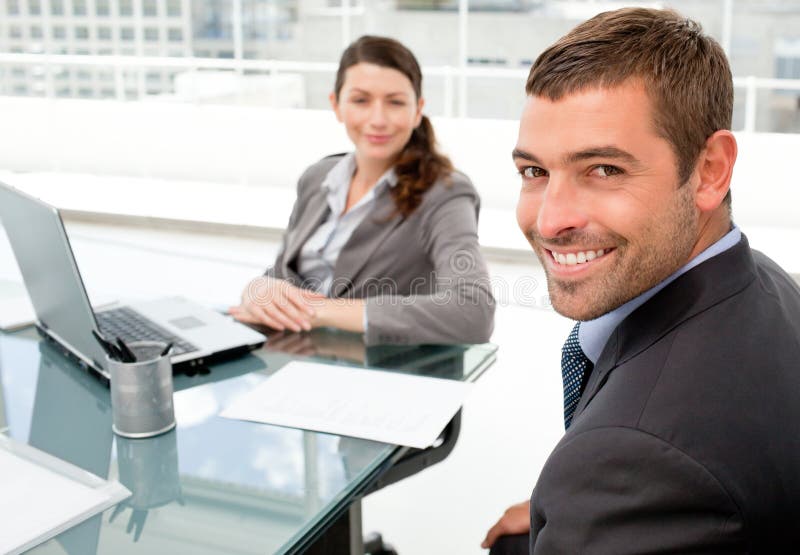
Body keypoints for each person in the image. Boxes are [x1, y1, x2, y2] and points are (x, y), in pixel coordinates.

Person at [483, 7, 800, 554]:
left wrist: (594, 498)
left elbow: (647, 456)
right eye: (535, 172)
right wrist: (569, 510)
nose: (549, 219)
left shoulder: (636, 457)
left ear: (710, 170)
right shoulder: (764, 281)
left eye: (604, 169)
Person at [229, 36, 494, 345]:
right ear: (336, 105)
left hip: (381, 370)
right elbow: (286, 273)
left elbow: (473, 313)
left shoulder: (445, 193)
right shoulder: (318, 178)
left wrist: (319, 311)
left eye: (395, 102)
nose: (378, 120)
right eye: (360, 100)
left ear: (417, 110)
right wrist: (257, 288)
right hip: (290, 353)